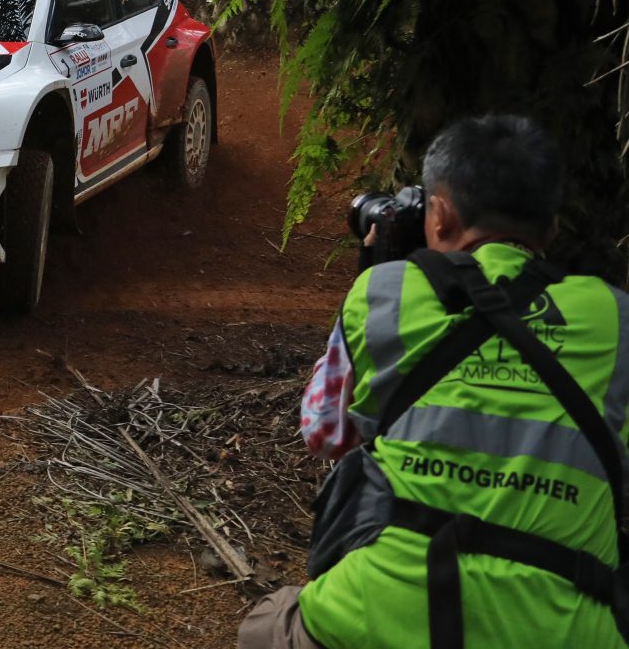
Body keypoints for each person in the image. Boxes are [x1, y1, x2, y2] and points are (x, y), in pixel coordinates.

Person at [242, 115, 629, 649]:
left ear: (439, 215)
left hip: (378, 614)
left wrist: (379, 272)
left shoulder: (386, 295)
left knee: (266, 626)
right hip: (567, 630)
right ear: (553, 228)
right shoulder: (616, 319)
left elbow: (325, 434)